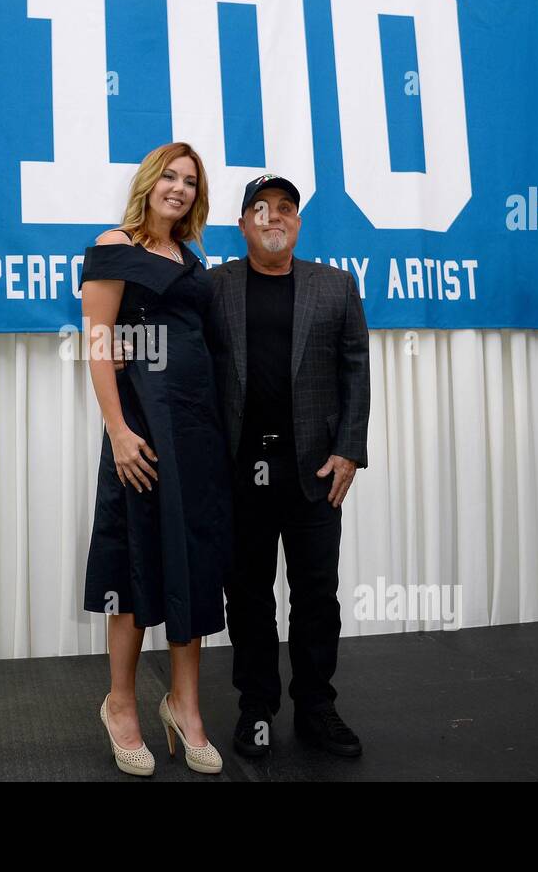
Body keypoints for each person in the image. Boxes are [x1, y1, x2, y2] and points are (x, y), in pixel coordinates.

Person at [80, 142, 232, 776]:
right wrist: (117, 431)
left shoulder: (191, 258)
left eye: (190, 181)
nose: (179, 188)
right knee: (136, 565)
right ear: (148, 182)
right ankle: (120, 704)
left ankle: (185, 706)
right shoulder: (116, 244)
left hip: (198, 436)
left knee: (192, 566)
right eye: (169, 176)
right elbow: (97, 341)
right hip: (141, 431)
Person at [206, 174, 370, 759]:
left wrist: (349, 450)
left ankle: (317, 706)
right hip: (240, 472)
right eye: (261, 208)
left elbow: (355, 370)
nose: (274, 217)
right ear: (243, 223)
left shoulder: (335, 286)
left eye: (286, 209)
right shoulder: (215, 286)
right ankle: (256, 707)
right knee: (248, 597)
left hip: (314, 471)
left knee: (317, 594)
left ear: (297, 224)